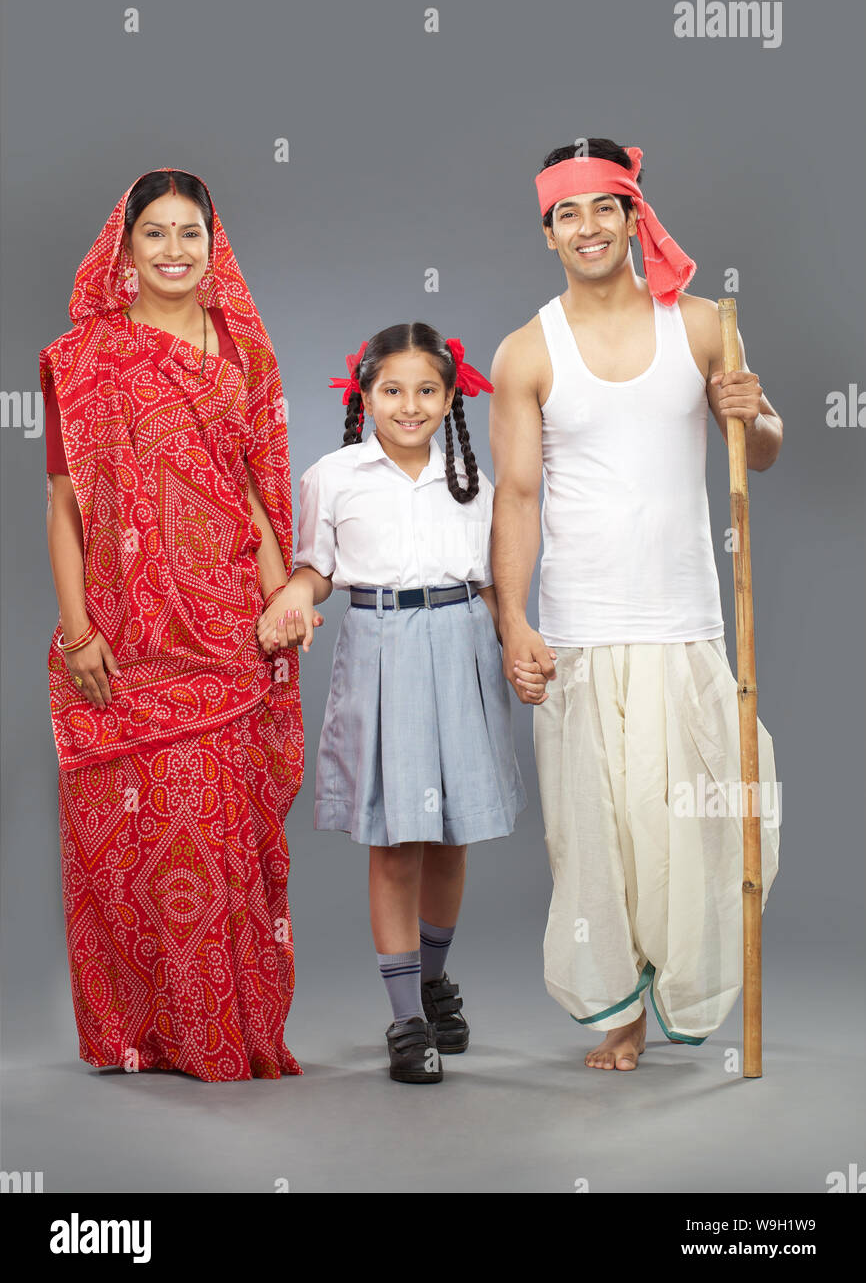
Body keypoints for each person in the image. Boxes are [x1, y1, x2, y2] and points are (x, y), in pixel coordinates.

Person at [489, 138, 783, 1069]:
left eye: (603, 210)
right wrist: (514, 619)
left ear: (632, 217)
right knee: (595, 838)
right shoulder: (526, 351)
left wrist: (755, 411)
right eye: (567, 214)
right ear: (548, 232)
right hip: (579, 630)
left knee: (694, 822)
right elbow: (519, 497)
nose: (587, 228)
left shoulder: (701, 327)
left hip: (684, 622)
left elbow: (762, 448)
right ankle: (618, 1011)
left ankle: (684, 989)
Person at [41, 168, 306, 1081]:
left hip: (231, 628)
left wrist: (281, 595)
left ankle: (230, 1033)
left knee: (227, 839)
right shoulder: (83, 361)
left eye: (190, 232)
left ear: (212, 244)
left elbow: (255, 493)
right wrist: (78, 632)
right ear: (123, 250)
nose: (174, 250)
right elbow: (65, 508)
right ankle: (154, 1034)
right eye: (154, 233)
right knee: (149, 839)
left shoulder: (239, 354)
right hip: (127, 633)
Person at [257, 324, 528, 1083]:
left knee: (450, 835)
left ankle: (435, 982)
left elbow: (495, 580)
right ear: (364, 394)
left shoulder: (474, 474)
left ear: (450, 397)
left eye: (427, 390)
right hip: (381, 650)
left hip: (463, 641)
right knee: (397, 838)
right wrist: (292, 596)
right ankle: (407, 1020)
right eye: (392, 390)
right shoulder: (333, 476)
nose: (410, 406)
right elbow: (314, 568)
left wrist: (514, 638)